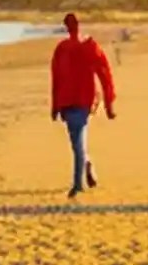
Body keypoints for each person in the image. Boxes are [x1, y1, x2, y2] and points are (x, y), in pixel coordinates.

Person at [50, 13, 117, 199]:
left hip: (83, 100)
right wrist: (55, 106)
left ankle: (78, 184)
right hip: (68, 101)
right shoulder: (63, 49)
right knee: (76, 143)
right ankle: (86, 163)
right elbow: (56, 78)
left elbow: (105, 75)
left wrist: (109, 103)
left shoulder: (87, 47)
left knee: (77, 140)